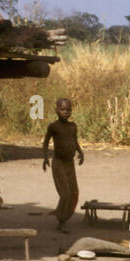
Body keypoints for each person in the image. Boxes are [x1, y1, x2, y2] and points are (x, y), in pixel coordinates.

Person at [41, 97, 84, 233]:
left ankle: (64, 216)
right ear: (56, 110)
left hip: (70, 164)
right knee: (65, 194)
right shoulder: (53, 126)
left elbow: (75, 141)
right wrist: (45, 157)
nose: (66, 112)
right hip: (58, 163)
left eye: (68, 109)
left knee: (74, 193)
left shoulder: (73, 126)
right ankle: (61, 221)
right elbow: (46, 142)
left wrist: (81, 152)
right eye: (63, 109)